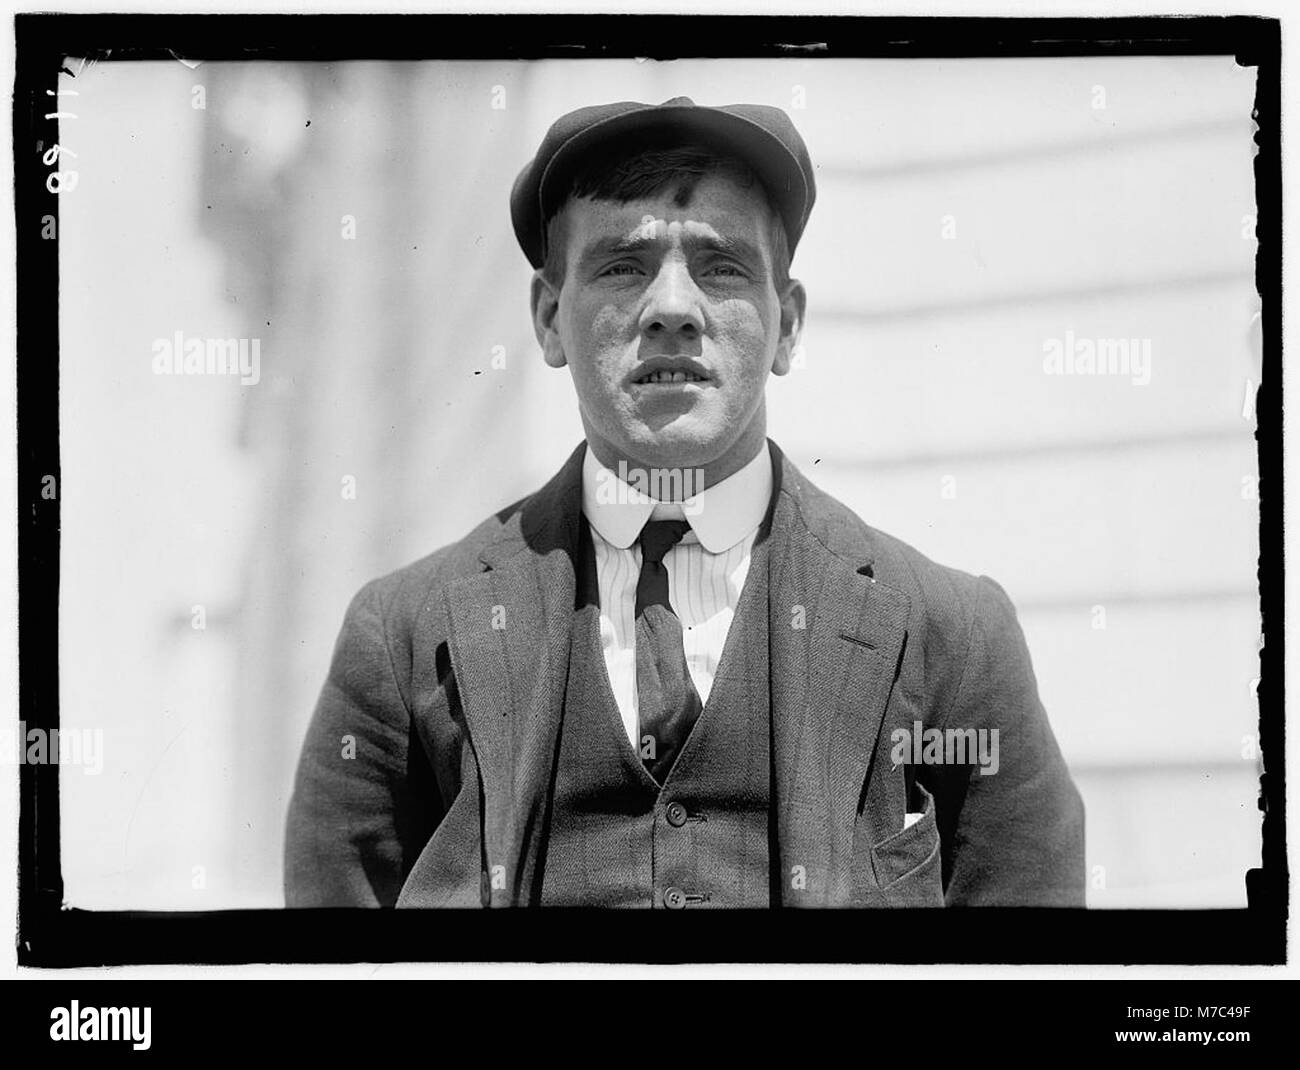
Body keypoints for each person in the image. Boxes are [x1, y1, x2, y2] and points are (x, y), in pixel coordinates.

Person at [284, 96, 1085, 909]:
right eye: (623, 266)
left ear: (788, 328)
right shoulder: (401, 639)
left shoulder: (953, 637)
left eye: (721, 265)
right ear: (549, 318)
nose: (671, 307)